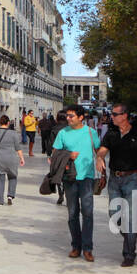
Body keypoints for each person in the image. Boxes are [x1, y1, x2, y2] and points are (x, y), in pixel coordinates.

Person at [96, 103, 137, 267]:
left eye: (114, 114)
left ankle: (129, 254)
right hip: (114, 179)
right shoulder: (111, 134)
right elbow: (103, 150)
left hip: (132, 179)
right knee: (115, 214)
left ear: (124, 115)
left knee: (131, 219)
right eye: (111, 114)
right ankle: (129, 234)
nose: (111, 117)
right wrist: (99, 158)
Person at [54, 105, 100, 261]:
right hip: (69, 178)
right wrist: (68, 155)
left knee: (88, 213)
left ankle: (88, 248)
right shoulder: (62, 133)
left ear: (81, 117)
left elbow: (99, 151)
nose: (68, 118)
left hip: (87, 177)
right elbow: (55, 154)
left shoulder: (90, 132)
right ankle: (76, 246)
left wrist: (100, 159)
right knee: (72, 213)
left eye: (71, 116)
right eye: (67, 116)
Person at [0, 114, 24, 205]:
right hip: (11, 159)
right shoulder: (13, 133)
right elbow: (18, 148)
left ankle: (0, 201)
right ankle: (10, 195)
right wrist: (22, 158)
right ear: (8, 123)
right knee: (13, 177)